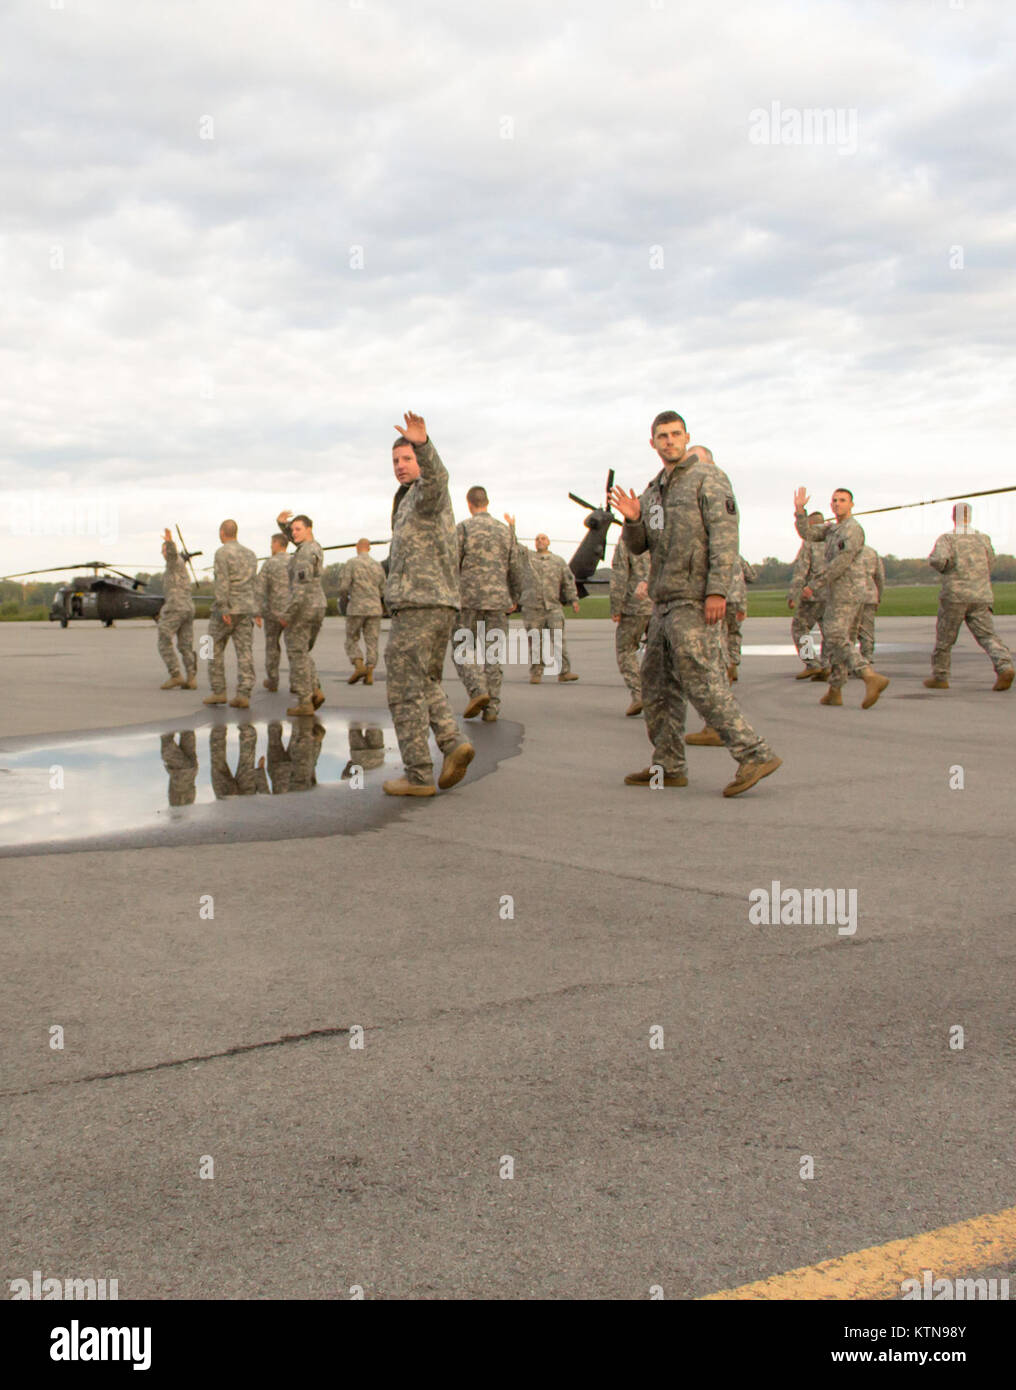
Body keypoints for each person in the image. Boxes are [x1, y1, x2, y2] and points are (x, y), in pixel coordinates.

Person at [608, 411, 781, 796]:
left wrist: (718, 590)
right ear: (652, 443)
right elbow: (640, 546)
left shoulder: (708, 477)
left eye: (675, 434)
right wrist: (633, 520)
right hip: (663, 602)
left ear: (686, 437)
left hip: (694, 599)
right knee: (655, 687)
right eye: (661, 436)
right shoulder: (653, 492)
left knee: (702, 682)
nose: (669, 441)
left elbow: (724, 534)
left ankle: (754, 753)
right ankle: (669, 764)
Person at [382, 411, 474, 796]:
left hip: (421, 604)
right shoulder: (407, 502)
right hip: (436, 604)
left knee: (403, 689)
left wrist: (423, 444)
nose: (401, 467)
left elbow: (438, 478)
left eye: (407, 459)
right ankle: (453, 744)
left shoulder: (425, 494)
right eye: (396, 461)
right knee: (425, 680)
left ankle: (418, 775)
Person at [793, 488, 890, 708]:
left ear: (851, 505)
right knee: (840, 638)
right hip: (836, 592)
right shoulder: (833, 530)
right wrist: (799, 511)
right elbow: (807, 534)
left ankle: (867, 674)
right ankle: (835, 690)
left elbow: (840, 563)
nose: (837, 504)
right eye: (834, 500)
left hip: (846, 592)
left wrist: (812, 585)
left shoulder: (852, 530)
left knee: (834, 635)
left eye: (842, 500)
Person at [453, 487, 525, 721]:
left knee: (462, 647)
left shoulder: (463, 528)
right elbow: (516, 565)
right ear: (487, 502)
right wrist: (514, 596)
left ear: (469, 503)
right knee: (493, 653)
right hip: (498, 599)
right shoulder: (505, 531)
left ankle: (477, 690)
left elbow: (453, 562)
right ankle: (492, 706)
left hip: (468, 598)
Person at [924, 503, 1014, 691]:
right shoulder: (983, 539)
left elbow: (939, 560)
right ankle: (1004, 666)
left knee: (945, 638)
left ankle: (940, 676)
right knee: (987, 635)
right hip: (981, 594)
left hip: (955, 595)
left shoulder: (948, 539)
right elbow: (991, 561)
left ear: (952, 517)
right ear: (970, 517)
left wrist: (943, 567)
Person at [276, 510, 327, 717]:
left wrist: (287, 615)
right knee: (304, 652)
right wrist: (282, 524)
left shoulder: (305, 552)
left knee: (297, 654)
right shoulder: (314, 547)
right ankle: (315, 690)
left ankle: (305, 701)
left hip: (304, 608)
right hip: (317, 606)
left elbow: (300, 588)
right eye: (292, 529)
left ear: (309, 529)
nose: (293, 533)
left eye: (298, 529)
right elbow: (295, 537)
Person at [204, 520, 258, 708]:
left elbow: (222, 581)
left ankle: (218, 691)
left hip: (227, 608)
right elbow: (254, 583)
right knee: (244, 651)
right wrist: (255, 608)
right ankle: (244, 693)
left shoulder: (222, 552)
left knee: (211, 647)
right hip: (246, 609)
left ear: (222, 532)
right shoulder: (251, 554)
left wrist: (223, 607)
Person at [517, 533, 581, 682]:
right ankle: (536, 672)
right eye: (537, 539)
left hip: (553, 607)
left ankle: (564, 672)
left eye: (543, 538)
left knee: (559, 640)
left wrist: (574, 599)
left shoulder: (558, 561)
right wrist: (511, 526)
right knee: (535, 641)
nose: (540, 541)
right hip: (532, 608)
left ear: (549, 542)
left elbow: (568, 581)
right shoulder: (527, 558)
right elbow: (515, 547)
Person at [610, 531, 652, 715]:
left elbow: (619, 576)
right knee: (663, 652)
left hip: (636, 606)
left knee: (625, 650)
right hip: (663, 603)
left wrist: (616, 606)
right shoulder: (662, 536)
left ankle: (639, 693)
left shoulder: (628, 540)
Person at [339, 538, 386, 685]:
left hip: (357, 608)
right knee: (372, 641)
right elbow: (384, 589)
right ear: (369, 548)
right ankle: (370, 673)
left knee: (351, 638)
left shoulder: (352, 563)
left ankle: (359, 665)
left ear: (357, 547)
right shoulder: (377, 566)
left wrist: (345, 599)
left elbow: (344, 587)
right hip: (374, 608)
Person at [788, 514, 829, 679]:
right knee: (828, 631)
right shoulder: (833, 539)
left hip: (813, 594)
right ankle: (828, 665)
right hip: (832, 593)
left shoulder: (810, 542)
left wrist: (793, 594)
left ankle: (812, 662)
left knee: (799, 628)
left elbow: (801, 570)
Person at [156, 529, 197, 689]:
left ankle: (176, 674)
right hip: (188, 607)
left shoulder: (174, 562)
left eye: (163, 550)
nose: (162, 553)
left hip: (175, 607)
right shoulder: (179, 564)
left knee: (163, 640)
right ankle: (191, 678)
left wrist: (169, 542)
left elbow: (172, 554)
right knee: (185, 645)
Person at [254, 533, 290, 692]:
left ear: (277, 543)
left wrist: (256, 611)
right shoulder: (295, 561)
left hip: (273, 613)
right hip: (292, 612)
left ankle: (273, 680)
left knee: (272, 647)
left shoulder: (269, 564)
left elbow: (260, 589)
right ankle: (297, 682)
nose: (270, 546)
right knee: (294, 648)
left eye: (271, 543)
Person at [853, 545, 885, 665]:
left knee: (846, 631)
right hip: (869, 595)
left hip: (848, 596)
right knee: (867, 631)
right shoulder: (871, 552)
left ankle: (813, 661)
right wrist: (878, 597)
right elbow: (879, 577)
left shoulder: (843, 550)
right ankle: (866, 658)